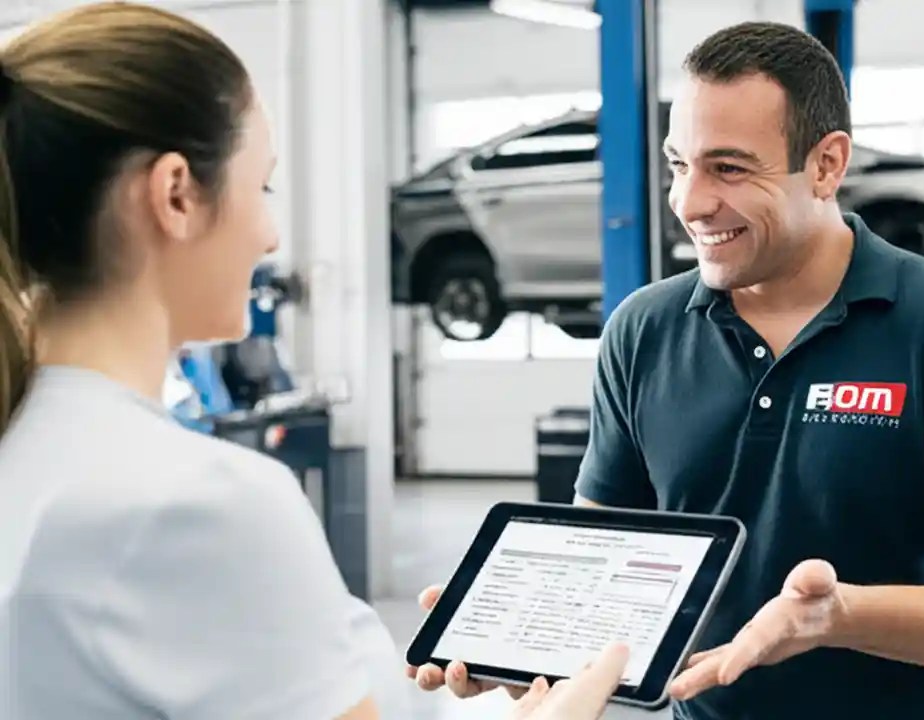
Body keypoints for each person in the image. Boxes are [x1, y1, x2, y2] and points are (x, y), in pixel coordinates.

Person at [421, 21, 924, 720]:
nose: (690, 203)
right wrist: (526, 646)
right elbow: (602, 579)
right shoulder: (643, 333)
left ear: (826, 165)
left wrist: (837, 616)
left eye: (729, 169)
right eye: (679, 164)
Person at [0, 4, 625, 720]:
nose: (269, 236)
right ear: (175, 194)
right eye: (260, 187)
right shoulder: (198, 503)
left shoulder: (29, 447)